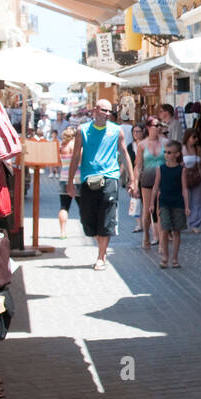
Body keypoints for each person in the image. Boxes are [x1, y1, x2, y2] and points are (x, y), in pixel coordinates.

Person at [67, 99, 135, 271]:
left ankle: (101, 256)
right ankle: (100, 248)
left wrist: (132, 180)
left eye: (109, 111)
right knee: (88, 218)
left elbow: (125, 154)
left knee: (106, 217)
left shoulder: (116, 130)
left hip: (110, 178)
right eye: (104, 110)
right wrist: (69, 182)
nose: (107, 114)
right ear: (95, 110)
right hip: (88, 179)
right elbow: (75, 156)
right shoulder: (82, 130)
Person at [152, 139, 189, 268]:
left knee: (177, 231)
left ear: (177, 154)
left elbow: (184, 188)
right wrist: (152, 203)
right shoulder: (160, 169)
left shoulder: (181, 170)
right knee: (164, 229)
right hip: (164, 202)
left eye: (169, 152)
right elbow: (156, 187)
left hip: (178, 202)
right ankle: (164, 257)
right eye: (165, 152)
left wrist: (187, 205)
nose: (166, 154)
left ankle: (174, 258)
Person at [136, 116, 166, 249]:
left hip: (163, 180)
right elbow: (138, 165)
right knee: (147, 211)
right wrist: (134, 182)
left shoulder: (165, 142)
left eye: (160, 125)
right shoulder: (142, 145)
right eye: (156, 125)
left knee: (161, 211)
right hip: (147, 179)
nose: (159, 128)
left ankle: (160, 241)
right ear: (148, 127)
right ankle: (146, 236)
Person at [182, 128, 201, 234]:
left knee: (197, 201)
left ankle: (195, 224)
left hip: (196, 177)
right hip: (185, 178)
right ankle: (185, 222)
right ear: (188, 137)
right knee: (186, 201)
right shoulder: (182, 149)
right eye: (193, 137)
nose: (195, 140)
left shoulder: (198, 149)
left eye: (196, 137)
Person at [57, 127, 76, 238]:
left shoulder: (61, 146)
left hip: (63, 178)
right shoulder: (76, 146)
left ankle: (62, 232)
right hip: (77, 178)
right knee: (83, 207)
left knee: (64, 206)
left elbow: (58, 162)